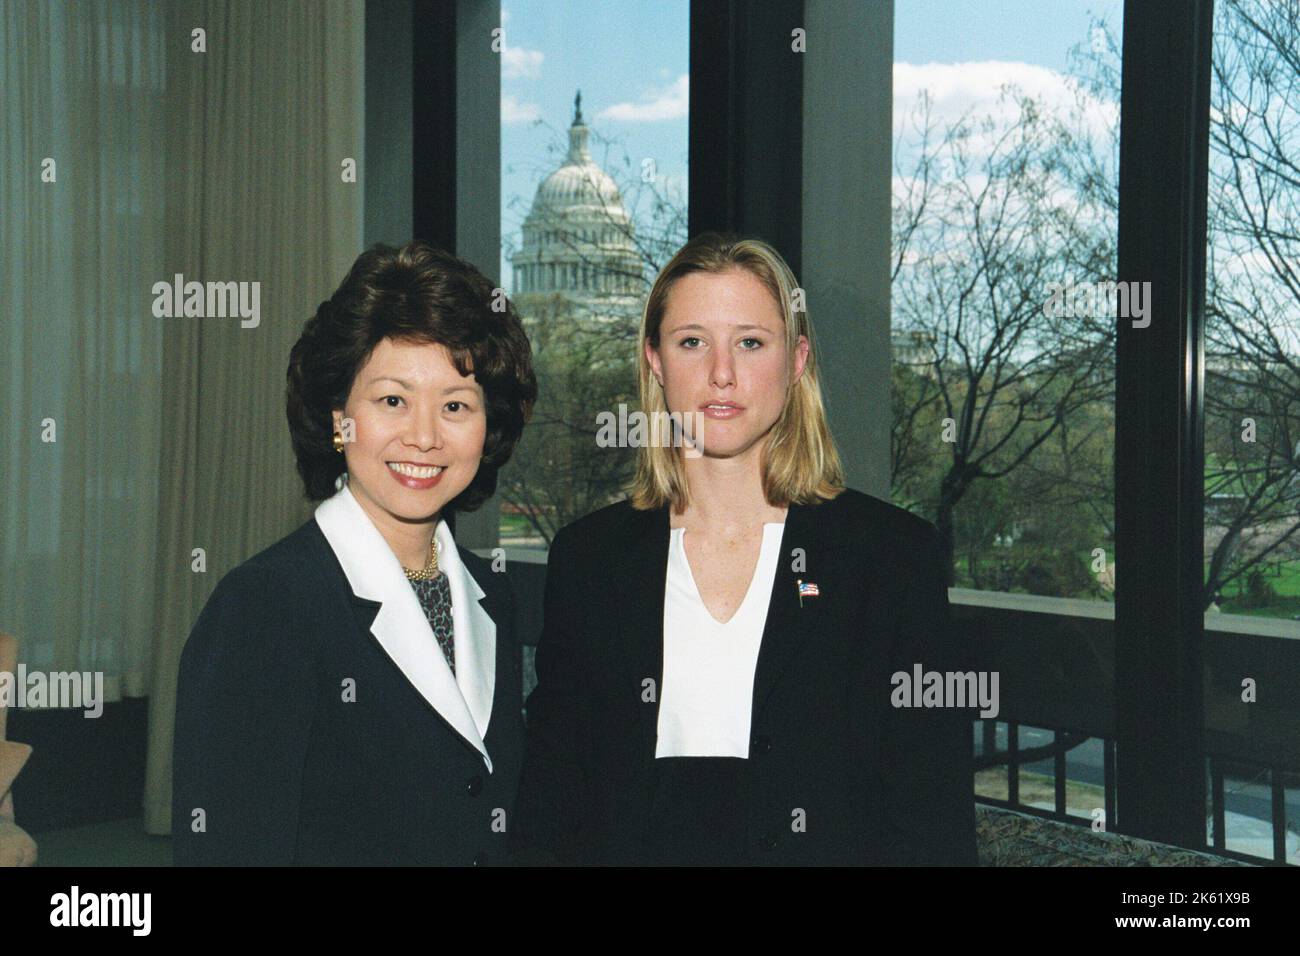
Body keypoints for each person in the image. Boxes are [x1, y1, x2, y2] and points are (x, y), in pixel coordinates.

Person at [511, 232, 977, 865]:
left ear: (797, 360)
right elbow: (552, 806)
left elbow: (931, 822)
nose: (721, 373)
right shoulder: (590, 560)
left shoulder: (890, 560)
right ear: (655, 360)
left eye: (751, 342)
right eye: (692, 341)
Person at [172, 240, 536, 865]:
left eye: (455, 405)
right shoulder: (264, 606)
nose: (423, 437)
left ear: (488, 425)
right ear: (339, 417)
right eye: (392, 400)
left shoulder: (488, 593)